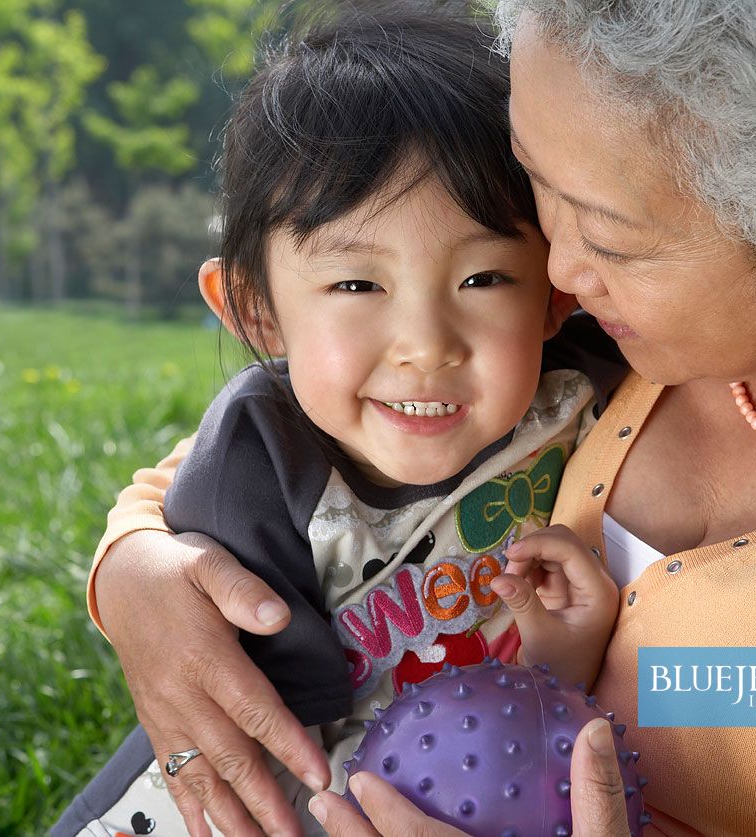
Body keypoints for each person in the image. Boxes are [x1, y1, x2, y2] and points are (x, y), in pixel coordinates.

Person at [84, 0, 756, 834]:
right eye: (536, 184)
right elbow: (316, 441)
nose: (550, 276)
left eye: (611, 238)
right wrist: (136, 564)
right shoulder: (622, 323)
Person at [55, 7, 631, 836]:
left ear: (557, 288)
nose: (427, 347)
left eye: (484, 279)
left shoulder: (583, 392)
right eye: (358, 286)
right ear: (254, 310)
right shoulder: (260, 457)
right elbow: (277, 740)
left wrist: (560, 662)